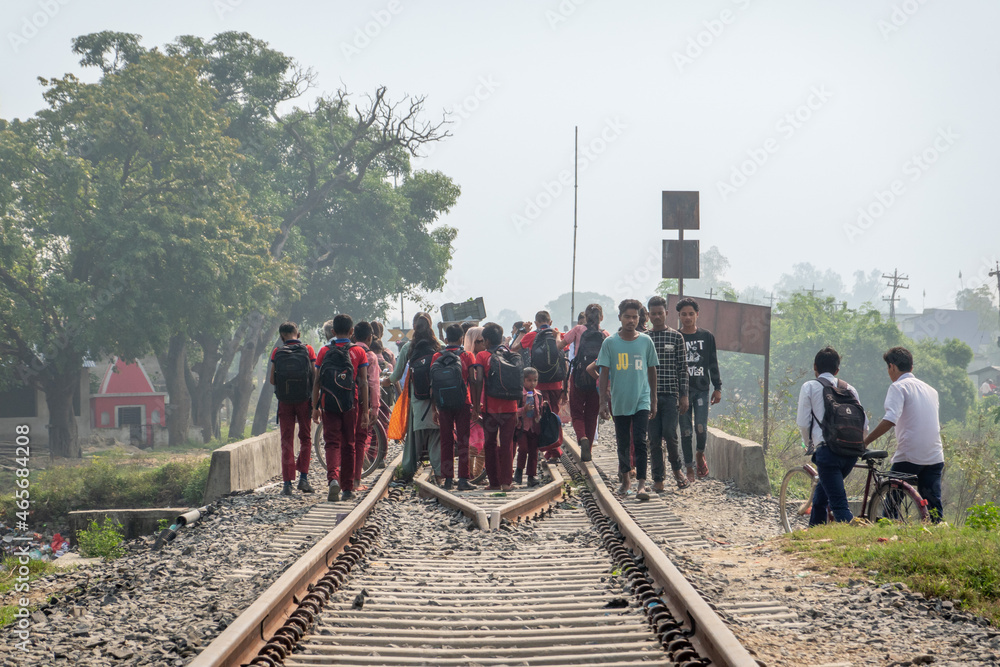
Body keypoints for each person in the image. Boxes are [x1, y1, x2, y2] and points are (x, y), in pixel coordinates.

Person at [863, 346, 945, 522]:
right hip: (935, 456)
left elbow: (890, 419)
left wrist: (866, 441)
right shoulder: (931, 390)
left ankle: (888, 532)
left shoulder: (898, 387)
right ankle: (937, 536)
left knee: (891, 502)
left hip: (910, 455)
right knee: (934, 506)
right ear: (911, 367)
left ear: (891, 367)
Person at [795, 347, 869, 525]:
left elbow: (803, 423)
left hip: (828, 454)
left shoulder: (810, 387)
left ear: (815, 367)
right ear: (837, 370)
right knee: (820, 499)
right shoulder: (849, 388)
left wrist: (809, 445)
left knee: (839, 505)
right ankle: (814, 533)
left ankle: (857, 539)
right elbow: (864, 424)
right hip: (850, 454)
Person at [596, 299, 659, 500]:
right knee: (623, 441)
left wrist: (653, 399)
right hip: (620, 400)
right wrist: (603, 402)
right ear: (620, 318)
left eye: (635, 317)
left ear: (639, 318)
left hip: (642, 399)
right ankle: (625, 481)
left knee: (640, 441)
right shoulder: (610, 343)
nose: (631, 321)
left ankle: (641, 483)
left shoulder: (645, 341)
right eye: (627, 317)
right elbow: (604, 372)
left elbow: (652, 370)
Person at [312, 315, 369, 502]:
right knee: (349, 444)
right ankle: (347, 488)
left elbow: (317, 382)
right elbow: (363, 383)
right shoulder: (358, 352)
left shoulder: (323, 351)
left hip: (329, 402)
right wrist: (366, 410)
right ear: (352, 332)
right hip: (349, 403)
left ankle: (332, 480)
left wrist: (315, 407)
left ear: (333, 332)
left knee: (331, 443)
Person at [383, 313, 442, 483]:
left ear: (414, 327)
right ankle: (439, 474)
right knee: (436, 437)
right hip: (436, 399)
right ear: (430, 325)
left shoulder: (408, 347)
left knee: (414, 439)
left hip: (417, 399)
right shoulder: (439, 345)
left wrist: (385, 382)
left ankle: (407, 472)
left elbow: (395, 376)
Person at [646, 297, 690, 491]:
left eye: (660, 313)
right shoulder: (644, 338)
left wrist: (684, 395)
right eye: (653, 313)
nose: (657, 316)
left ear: (666, 313)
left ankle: (677, 470)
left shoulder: (676, 337)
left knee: (670, 434)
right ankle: (658, 479)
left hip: (671, 395)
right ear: (648, 315)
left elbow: (683, 368)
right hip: (648, 397)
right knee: (654, 438)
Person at [677, 297, 722, 482]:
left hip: (702, 389)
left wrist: (718, 387)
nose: (687, 318)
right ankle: (688, 467)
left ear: (697, 315)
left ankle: (699, 453)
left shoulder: (707, 336)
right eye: (683, 314)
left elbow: (713, 362)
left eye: (691, 314)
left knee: (701, 428)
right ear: (678, 316)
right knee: (686, 431)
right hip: (682, 391)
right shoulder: (676, 336)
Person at [469, 322, 519, 491]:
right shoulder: (510, 354)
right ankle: (507, 482)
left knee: (490, 444)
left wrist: (476, 406)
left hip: (490, 408)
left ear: (487, 340)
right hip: (510, 407)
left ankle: (494, 482)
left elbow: (478, 381)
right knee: (507, 444)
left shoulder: (483, 356)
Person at [269, 321, 317, 496]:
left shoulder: (277, 352)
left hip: (285, 402)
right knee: (305, 438)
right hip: (304, 400)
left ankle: (287, 484)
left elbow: (272, 381)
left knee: (286, 440)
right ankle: (303, 478)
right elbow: (314, 375)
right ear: (299, 333)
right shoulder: (308, 350)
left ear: (282, 337)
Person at [430, 323, 477, 491]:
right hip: (463, 402)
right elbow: (474, 381)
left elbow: (433, 385)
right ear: (461, 338)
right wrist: (476, 406)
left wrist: (435, 408)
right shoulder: (467, 356)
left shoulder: (436, 356)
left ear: (447, 339)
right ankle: (463, 479)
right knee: (464, 440)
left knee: (446, 441)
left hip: (443, 403)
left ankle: (448, 479)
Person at [561, 303, 609, 462]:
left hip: (579, 377)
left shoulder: (578, 330)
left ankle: (582, 438)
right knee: (591, 414)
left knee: (576, 412)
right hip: (597, 379)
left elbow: (560, 345)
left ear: (585, 317)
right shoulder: (606, 335)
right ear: (601, 317)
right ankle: (588, 444)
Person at [511, 310, 566, 413]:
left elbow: (514, 347)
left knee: (540, 410)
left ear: (536, 323)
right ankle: (554, 428)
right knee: (554, 411)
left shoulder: (532, 335)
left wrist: (523, 331)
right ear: (550, 322)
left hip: (538, 381)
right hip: (556, 381)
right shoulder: (559, 335)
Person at [351, 321, 381, 492]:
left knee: (346, 441)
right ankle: (355, 481)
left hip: (344, 402)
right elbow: (373, 384)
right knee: (360, 441)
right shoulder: (370, 356)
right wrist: (374, 408)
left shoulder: (348, 351)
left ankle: (341, 479)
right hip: (363, 403)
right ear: (370, 338)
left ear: (353, 335)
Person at [464, 326, 487, 479]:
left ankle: (477, 473)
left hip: (484, 404)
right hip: (473, 404)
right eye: (480, 341)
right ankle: (471, 473)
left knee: (483, 439)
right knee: (473, 440)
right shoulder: (469, 359)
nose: (483, 343)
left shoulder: (485, 357)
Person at [515, 367, 542, 487]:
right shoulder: (520, 395)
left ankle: (531, 476)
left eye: (535, 380)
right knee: (523, 449)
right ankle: (519, 471)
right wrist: (523, 410)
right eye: (529, 380)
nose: (532, 383)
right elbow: (514, 411)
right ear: (523, 381)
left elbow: (539, 410)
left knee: (533, 451)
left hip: (534, 428)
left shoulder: (538, 395)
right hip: (522, 428)